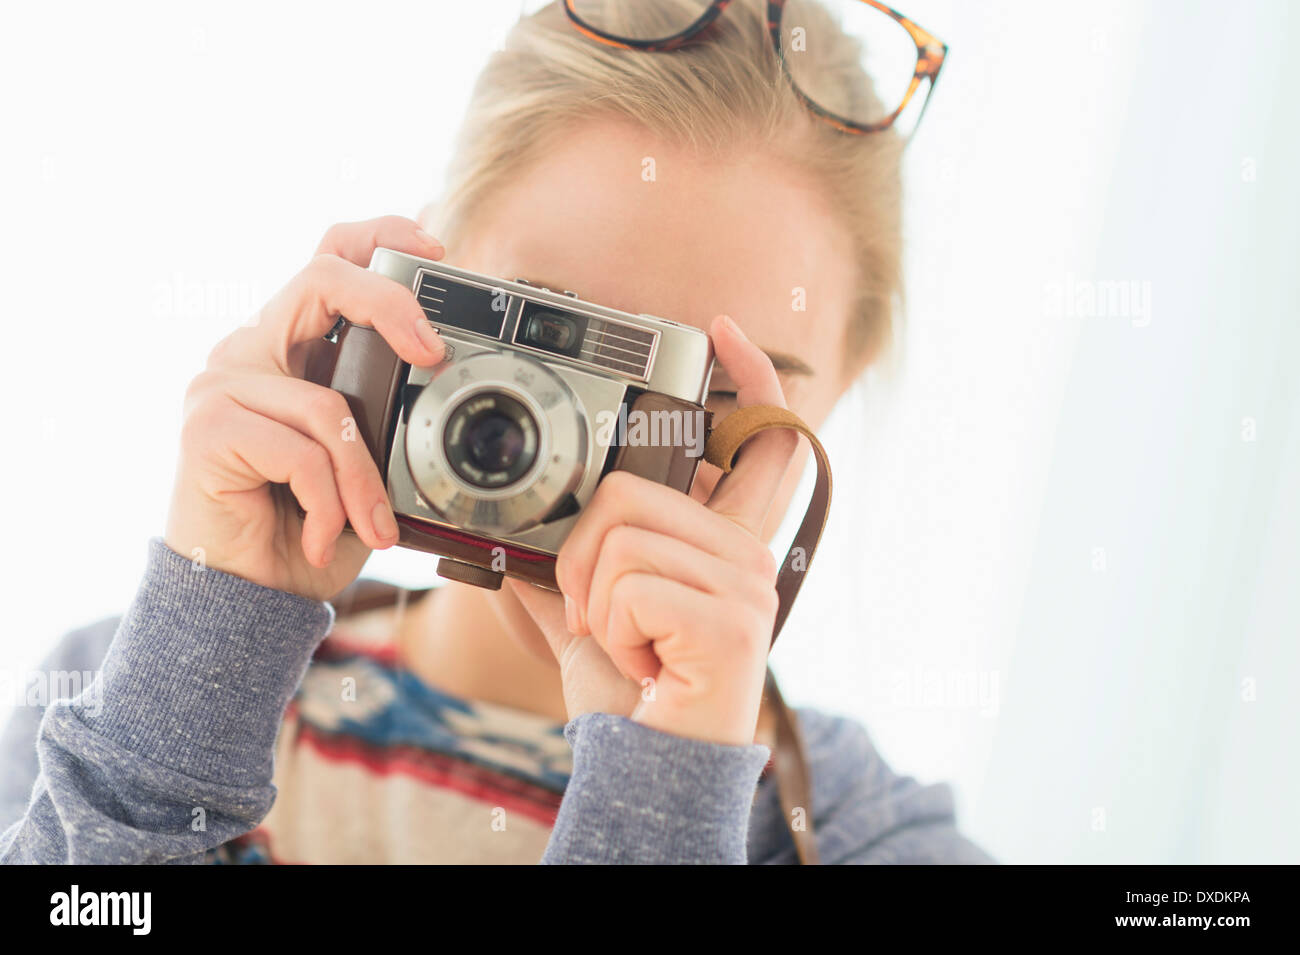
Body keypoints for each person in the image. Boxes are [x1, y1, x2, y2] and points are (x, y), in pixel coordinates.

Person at [0, 0, 991, 864]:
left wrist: (666, 792)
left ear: (826, 404)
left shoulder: (866, 838)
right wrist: (210, 635)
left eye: (710, 396)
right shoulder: (132, 704)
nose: (587, 450)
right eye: (546, 331)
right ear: (422, 279)